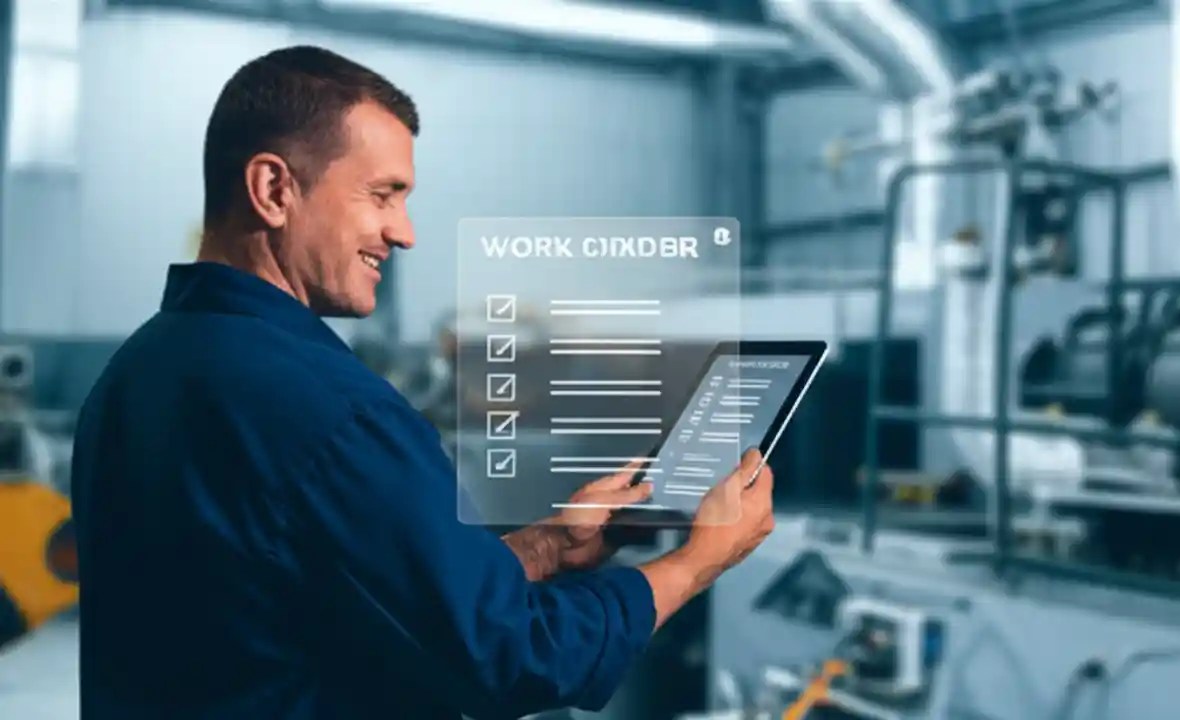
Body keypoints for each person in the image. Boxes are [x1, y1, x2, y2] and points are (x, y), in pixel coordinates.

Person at [70, 45, 776, 720]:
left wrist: (547, 544)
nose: (403, 233)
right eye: (383, 196)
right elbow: (514, 656)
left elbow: (322, 589)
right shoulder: (334, 411)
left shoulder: (137, 373)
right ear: (274, 189)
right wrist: (699, 559)